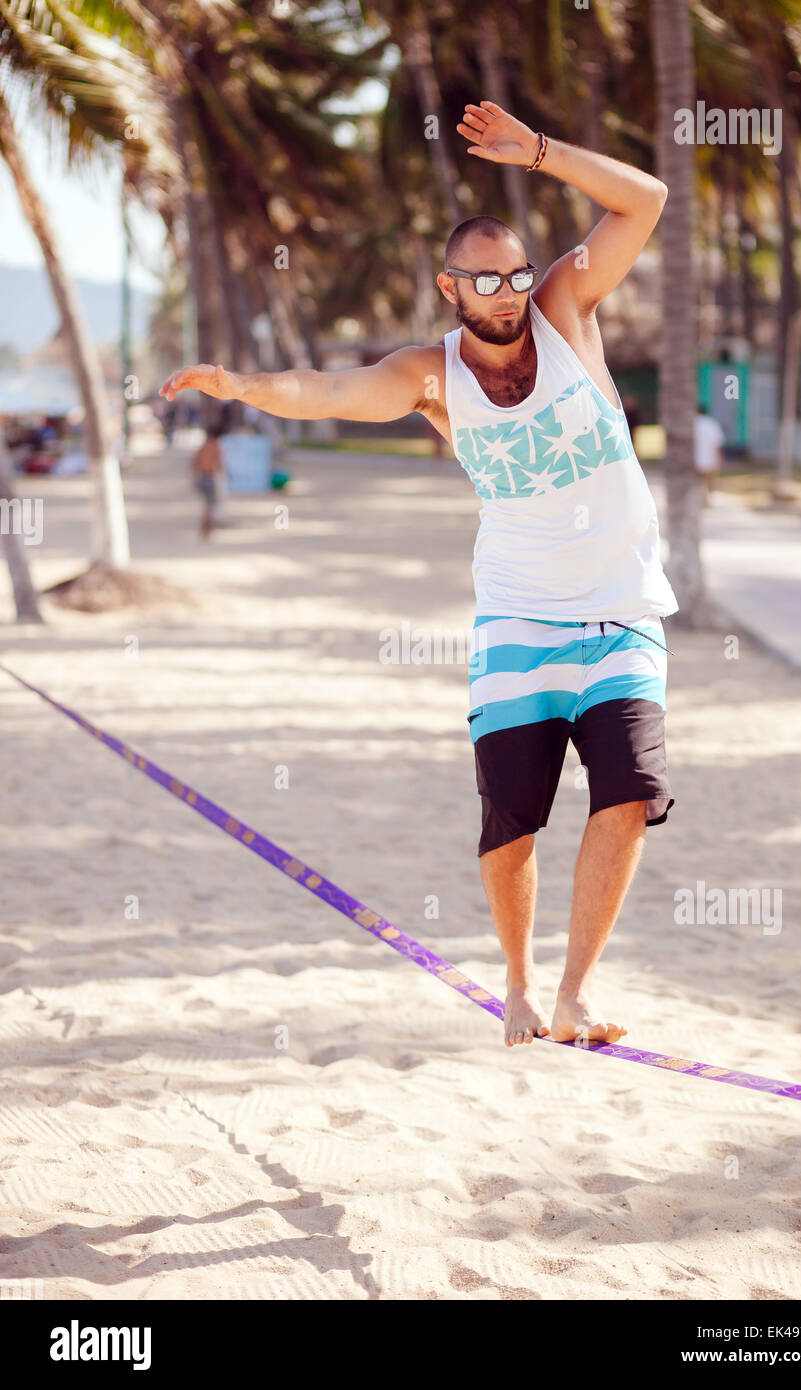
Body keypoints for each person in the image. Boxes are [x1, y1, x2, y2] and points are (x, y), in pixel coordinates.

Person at [160, 100, 678, 1049]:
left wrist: (541, 153)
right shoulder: (431, 376)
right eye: (488, 278)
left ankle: (576, 992)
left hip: (622, 609)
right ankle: (519, 990)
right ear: (452, 286)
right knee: (513, 818)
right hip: (519, 617)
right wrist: (241, 388)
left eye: (518, 271)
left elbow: (645, 202)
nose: (511, 290)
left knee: (630, 789)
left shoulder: (567, 311)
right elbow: (326, 392)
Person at [191, 425, 224, 539]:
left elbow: (194, 462)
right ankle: (207, 528)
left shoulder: (203, 447)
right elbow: (218, 464)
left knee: (206, 504)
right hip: (209, 477)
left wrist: (194, 478)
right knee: (209, 505)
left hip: (202, 476)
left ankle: (205, 528)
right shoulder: (215, 447)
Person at [694, 400, 725, 504]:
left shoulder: (692, 424)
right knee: (710, 480)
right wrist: (720, 458)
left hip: (695, 458)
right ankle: (708, 499)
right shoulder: (712, 424)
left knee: (698, 481)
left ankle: (700, 498)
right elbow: (717, 442)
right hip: (710, 457)